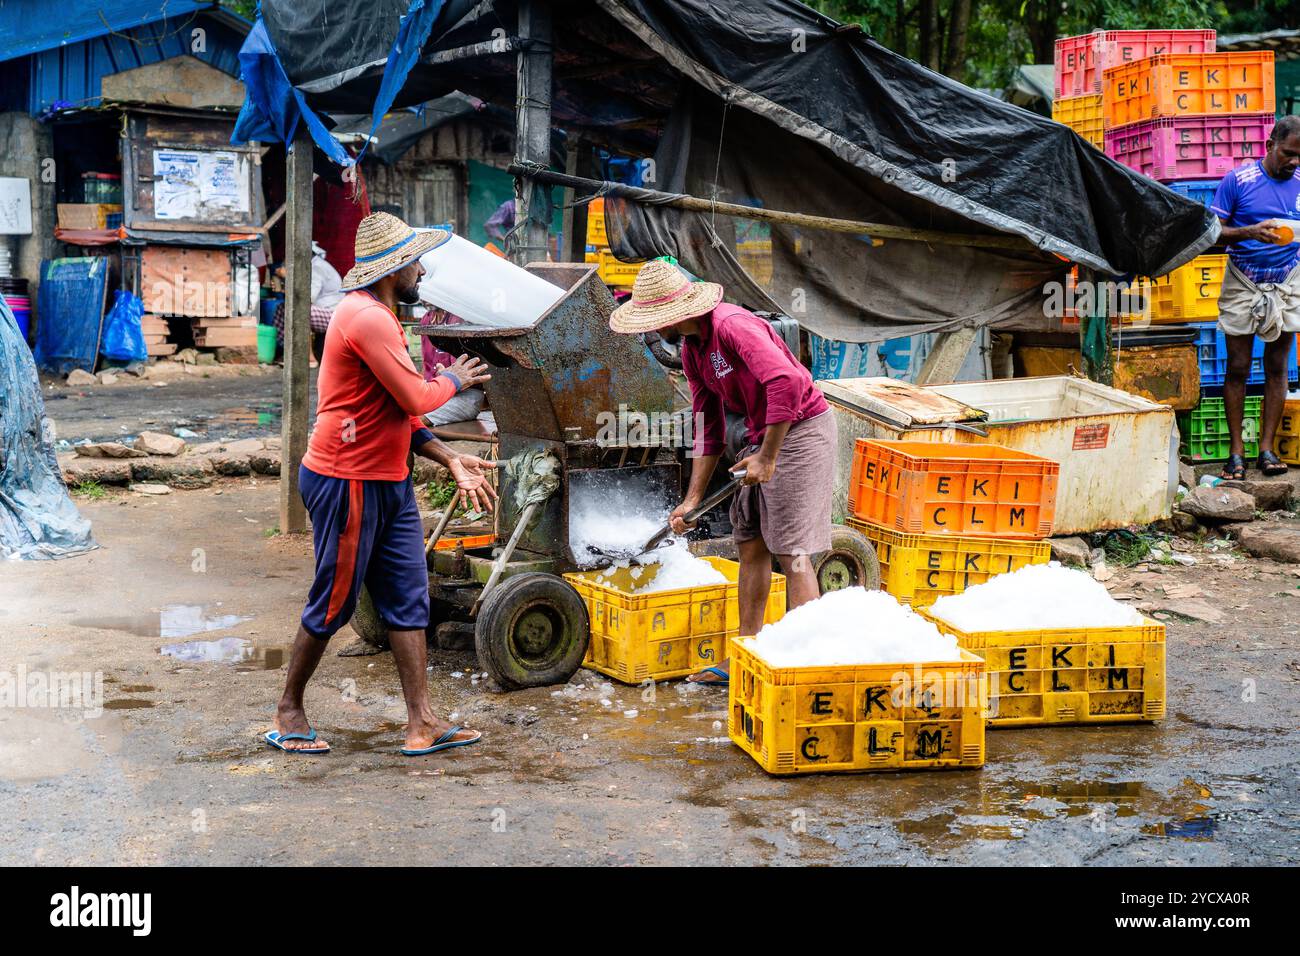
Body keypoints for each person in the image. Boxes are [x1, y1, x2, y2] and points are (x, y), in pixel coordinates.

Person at [266, 212, 495, 756]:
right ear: (396, 269)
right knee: (335, 599)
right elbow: (419, 399)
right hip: (347, 481)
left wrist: (447, 457)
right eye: (416, 260)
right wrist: (456, 380)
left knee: (408, 597)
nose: (422, 269)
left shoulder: (381, 316)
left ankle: (422, 723)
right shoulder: (366, 317)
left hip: (386, 481)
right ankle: (288, 710)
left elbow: (400, 412)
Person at [608, 260, 834, 686]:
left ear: (676, 314)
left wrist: (768, 457)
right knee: (750, 543)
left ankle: (806, 664)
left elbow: (785, 382)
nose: (654, 332)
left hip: (799, 431)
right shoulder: (692, 350)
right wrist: (693, 498)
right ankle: (747, 652)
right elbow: (706, 424)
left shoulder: (732, 325)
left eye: (655, 323)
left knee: (793, 551)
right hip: (758, 436)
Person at [1210, 115, 1300, 479]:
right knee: (1238, 367)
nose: (1294, 162)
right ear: (1270, 146)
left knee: (1278, 367)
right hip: (1242, 279)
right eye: (1289, 154)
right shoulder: (1238, 181)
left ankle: (1266, 449)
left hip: (1288, 279)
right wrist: (1249, 231)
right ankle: (1236, 453)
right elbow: (1212, 234)